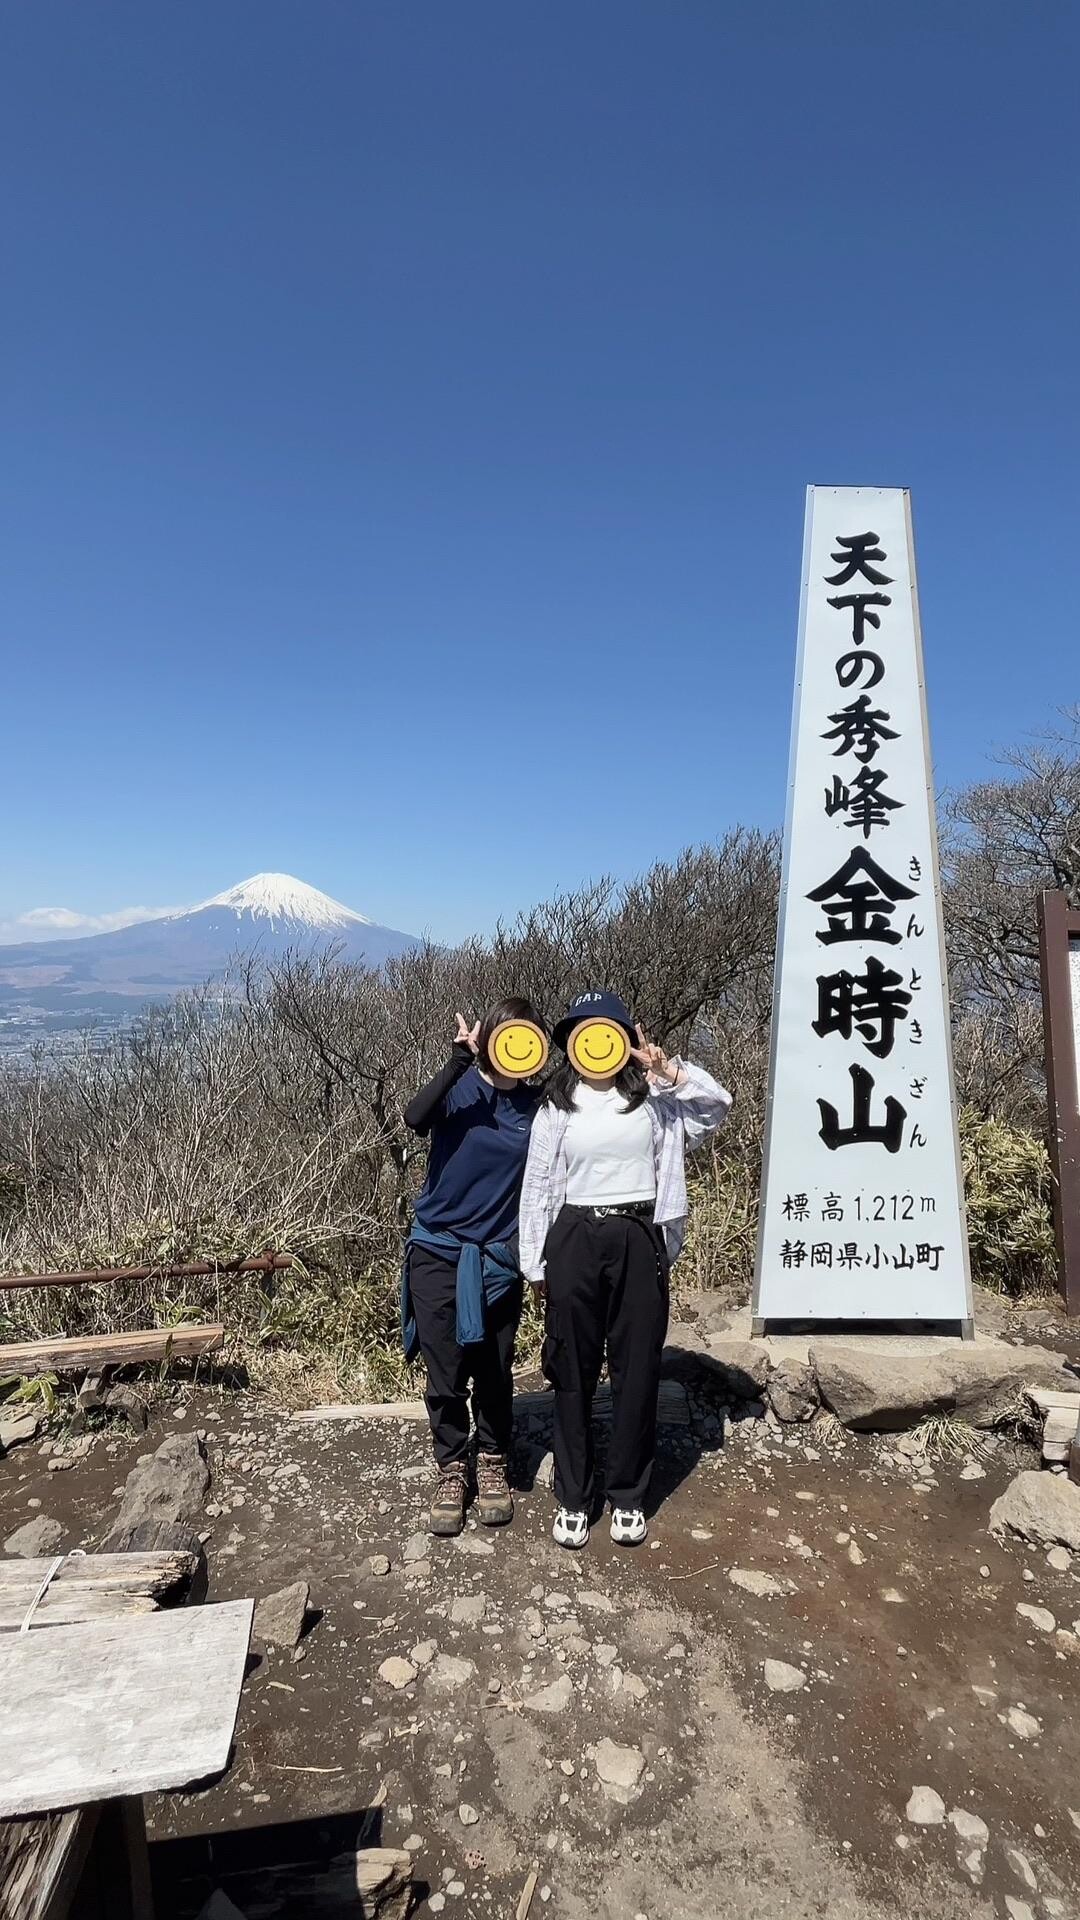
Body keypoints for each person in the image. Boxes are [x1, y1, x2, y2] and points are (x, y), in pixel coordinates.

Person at [519, 989, 731, 1550]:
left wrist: (669, 1069)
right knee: (572, 1369)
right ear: (571, 1045)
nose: (596, 1044)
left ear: (624, 1040)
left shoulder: (656, 1102)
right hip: (573, 1238)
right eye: (583, 1033)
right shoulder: (555, 1108)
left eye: (606, 1031)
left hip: (640, 1235)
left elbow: (717, 1105)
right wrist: (534, 1264)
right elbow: (537, 1187)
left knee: (636, 1369)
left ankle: (629, 1494)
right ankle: (573, 1494)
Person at [402, 997, 549, 1537]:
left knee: (493, 1367)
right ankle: (450, 1465)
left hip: (497, 1258)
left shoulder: (538, 1106)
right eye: (506, 1034)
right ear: (489, 1036)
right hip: (438, 1251)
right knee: (444, 1371)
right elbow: (415, 1117)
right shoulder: (461, 1090)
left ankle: (491, 1458)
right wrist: (460, 1060)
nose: (515, 1047)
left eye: (525, 1037)